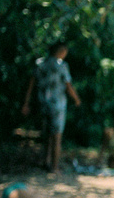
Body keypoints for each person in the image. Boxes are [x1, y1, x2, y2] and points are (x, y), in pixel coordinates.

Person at [21, 42, 81, 174]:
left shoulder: (39, 63)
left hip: (42, 103)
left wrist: (26, 103)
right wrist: (76, 99)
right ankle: (55, 166)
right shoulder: (62, 65)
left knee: (46, 134)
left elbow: (30, 85)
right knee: (57, 136)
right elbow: (68, 85)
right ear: (61, 51)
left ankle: (45, 161)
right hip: (58, 105)